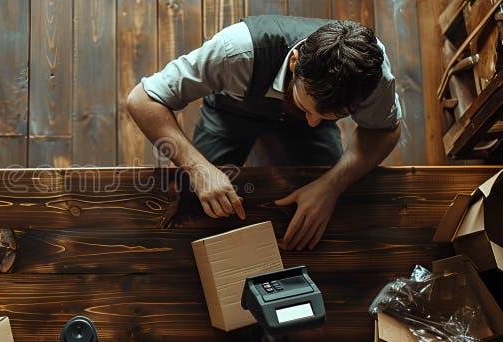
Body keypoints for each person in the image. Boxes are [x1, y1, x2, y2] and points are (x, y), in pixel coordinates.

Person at [126, 15, 402, 251]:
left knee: (326, 221)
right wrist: (199, 168)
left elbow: (385, 130)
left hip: (297, 128)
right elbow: (141, 100)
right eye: (308, 107)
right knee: (194, 205)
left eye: (332, 116)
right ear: (294, 62)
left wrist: (331, 186)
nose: (314, 123)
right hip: (232, 111)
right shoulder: (234, 52)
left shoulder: (370, 74)